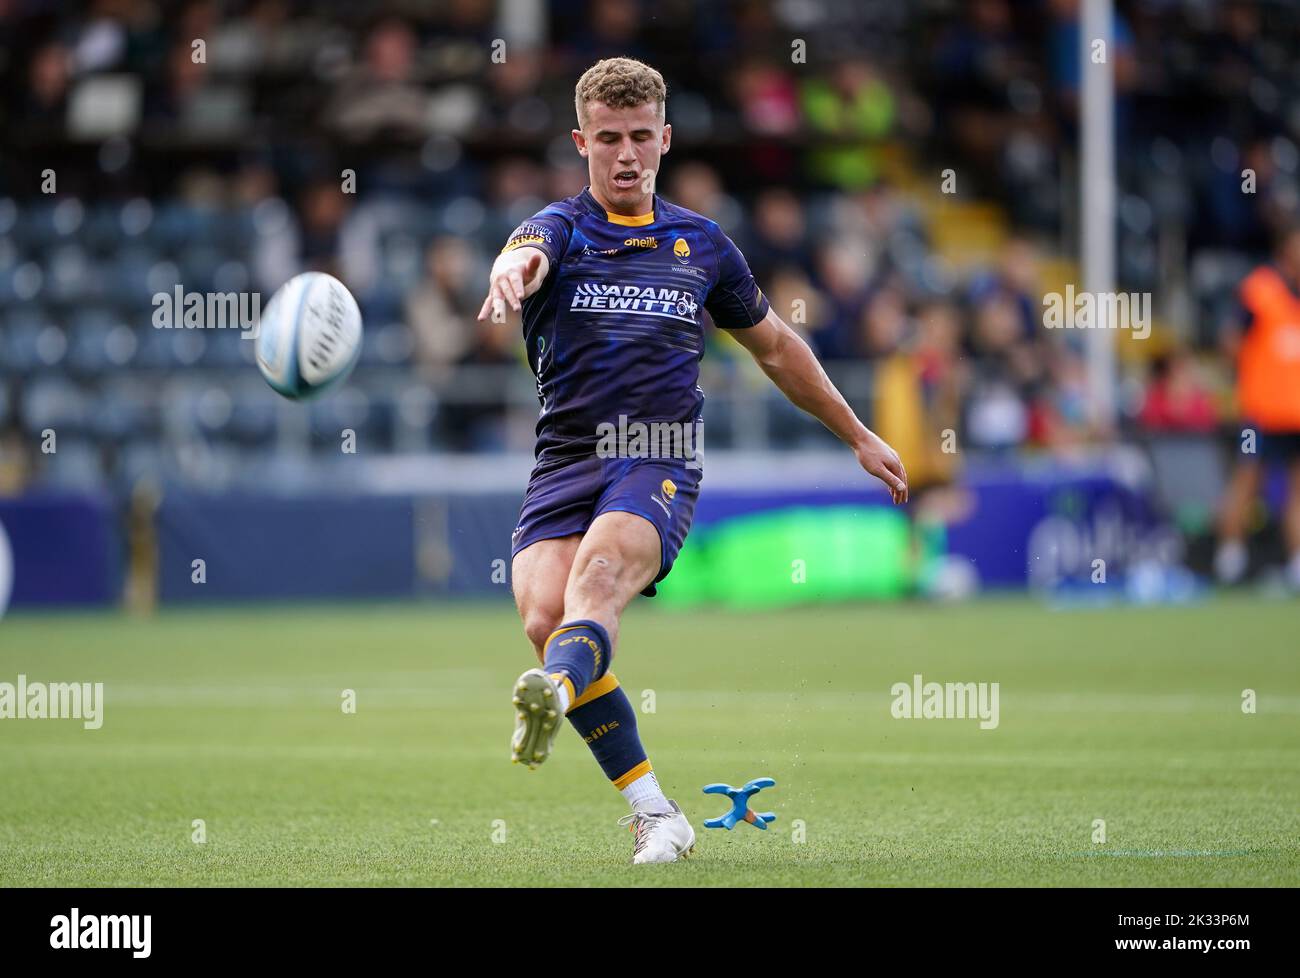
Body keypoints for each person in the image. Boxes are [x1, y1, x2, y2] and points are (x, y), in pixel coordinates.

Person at [476, 57, 908, 864]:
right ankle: (657, 813)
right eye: (609, 138)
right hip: (565, 458)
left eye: (642, 136)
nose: (627, 153)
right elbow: (523, 252)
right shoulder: (559, 229)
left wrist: (859, 434)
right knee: (544, 618)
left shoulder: (701, 245)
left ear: (666, 138)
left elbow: (777, 349)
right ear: (582, 142)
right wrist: (511, 269)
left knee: (597, 583)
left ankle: (555, 691)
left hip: (658, 456)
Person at [1215, 225, 1300, 588]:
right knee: (1246, 483)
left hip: (1296, 416)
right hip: (1261, 415)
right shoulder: (1260, 289)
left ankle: (1296, 565)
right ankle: (1228, 561)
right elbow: (1231, 340)